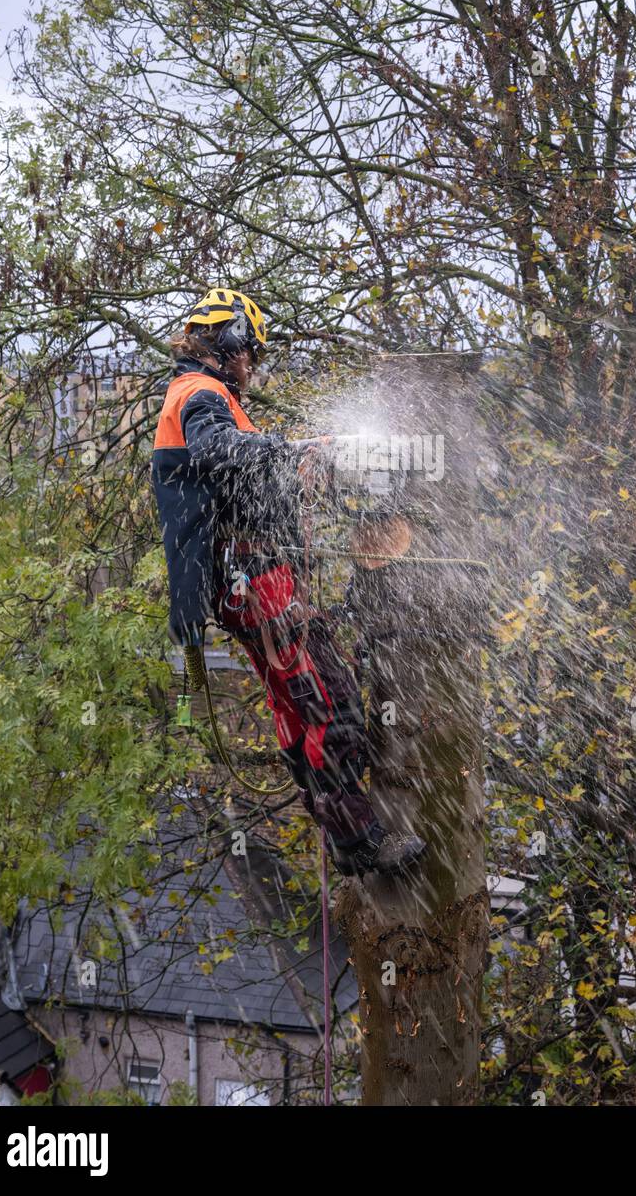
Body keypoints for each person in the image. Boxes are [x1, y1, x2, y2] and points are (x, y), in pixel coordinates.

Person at [151, 287, 427, 877]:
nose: (250, 364)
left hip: (247, 582)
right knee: (332, 704)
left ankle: (342, 832)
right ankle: (360, 841)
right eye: (248, 351)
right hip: (256, 581)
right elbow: (219, 450)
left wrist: (303, 466)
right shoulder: (201, 395)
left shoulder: (195, 394)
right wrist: (291, 446)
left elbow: (235, 477)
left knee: (298, 709)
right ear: (226, 342)